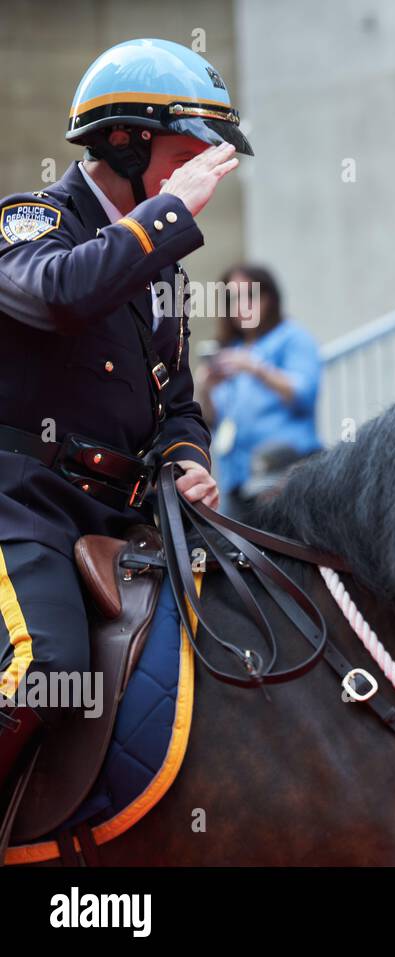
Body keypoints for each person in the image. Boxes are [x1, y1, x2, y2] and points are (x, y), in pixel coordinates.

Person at [0, 38, 248, 832]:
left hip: (126, 518)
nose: (208, 164)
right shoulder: (30, 218)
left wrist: (186, 464)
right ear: (124, 142)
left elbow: (177, 402)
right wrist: (169, 213)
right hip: (22, 504)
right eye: (188, 149)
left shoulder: (157, 268)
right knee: (46, 670)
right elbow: (61, 294)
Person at [196, 264, 322, 520]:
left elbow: (304, 393)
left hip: (286, 473)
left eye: (249, 296)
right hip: (237, 481)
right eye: (233, 299)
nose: (241, 306)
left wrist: (256, 367)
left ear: (269, 299)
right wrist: (205, 388)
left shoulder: (292, 337)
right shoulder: (232, 348)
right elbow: (212, 419)